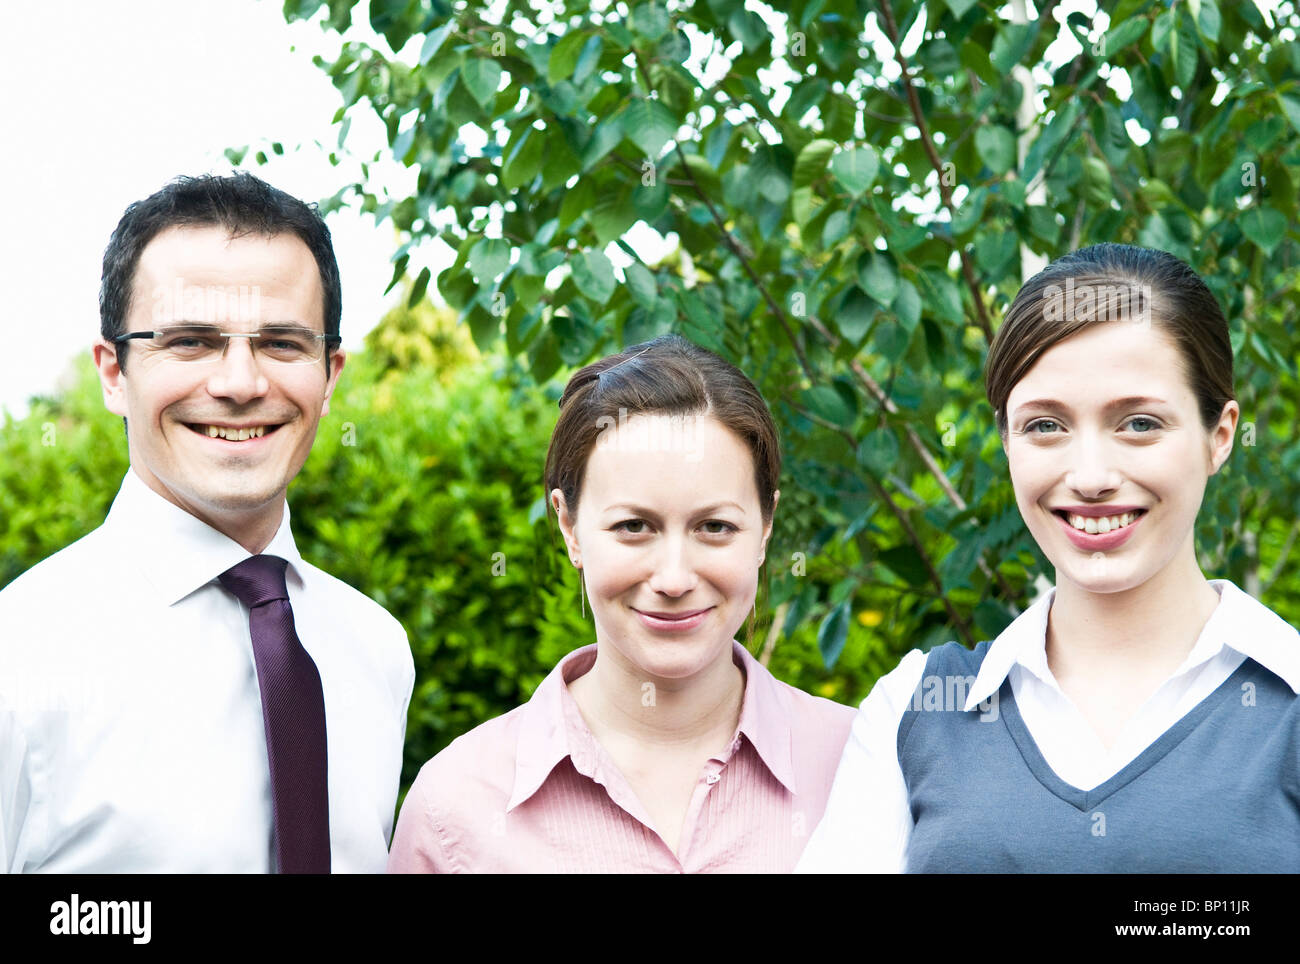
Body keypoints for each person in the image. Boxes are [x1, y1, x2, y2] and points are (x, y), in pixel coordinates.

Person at [797, 243, 1300, 873]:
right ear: (1006, 441)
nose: (1090, 477)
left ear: (1218, 436)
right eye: (1045, 426)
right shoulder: (917, 709)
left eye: (1139, 423)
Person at [0, 173, 414, 873]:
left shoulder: (376, 649)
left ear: (331, 374)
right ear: (112, 373)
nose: (240, 383)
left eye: (283, 343)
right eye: (191, 341)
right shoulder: (20, 656)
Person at [387, 334, 855, 872]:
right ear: (569, 527)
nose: (675, 578)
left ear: (766, 527)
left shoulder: (863, 764)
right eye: (634, 526)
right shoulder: (458, 806)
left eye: (715, 526)